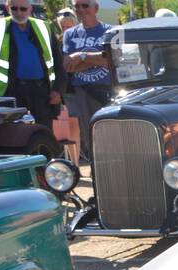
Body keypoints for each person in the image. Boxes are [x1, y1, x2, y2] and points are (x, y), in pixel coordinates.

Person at [0, 2, 67, 124]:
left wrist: (58, 90)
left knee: (43, 135)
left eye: (23, 9)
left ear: (30, 9)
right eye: (14, 8)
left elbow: (58, 62)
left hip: (41, 92)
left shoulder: (44, 27)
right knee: (13, 136)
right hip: (11, 92)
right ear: (8, 8)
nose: (19, 13)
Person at [61, 0, 112, 166]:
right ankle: (96, 169)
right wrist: (99, 57)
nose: (81, 10)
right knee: (90, 133)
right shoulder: (70, 34)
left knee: (111, 132)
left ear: (95, 8)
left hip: (108, 89)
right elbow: (68, 66)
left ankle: (113, 167)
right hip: (83, 91)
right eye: (77, 6)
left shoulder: (111, 31)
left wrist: (81, 56)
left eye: (85, 5)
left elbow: (112, 60)